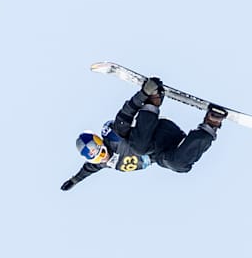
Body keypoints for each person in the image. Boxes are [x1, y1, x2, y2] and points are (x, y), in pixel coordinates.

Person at [61, 77, 225, 191]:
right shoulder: (102, 163)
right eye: (97, 157)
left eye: (101, 151)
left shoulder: (114, 137)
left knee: (138, 147)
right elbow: (86, 171)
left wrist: (144, 93)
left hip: (159, 132)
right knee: (179, 166)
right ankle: (211, 124)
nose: (103, 157)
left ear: (101, 142)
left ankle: (153, 101)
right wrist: (73, 181)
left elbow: (126, 113)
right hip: (163, 152)